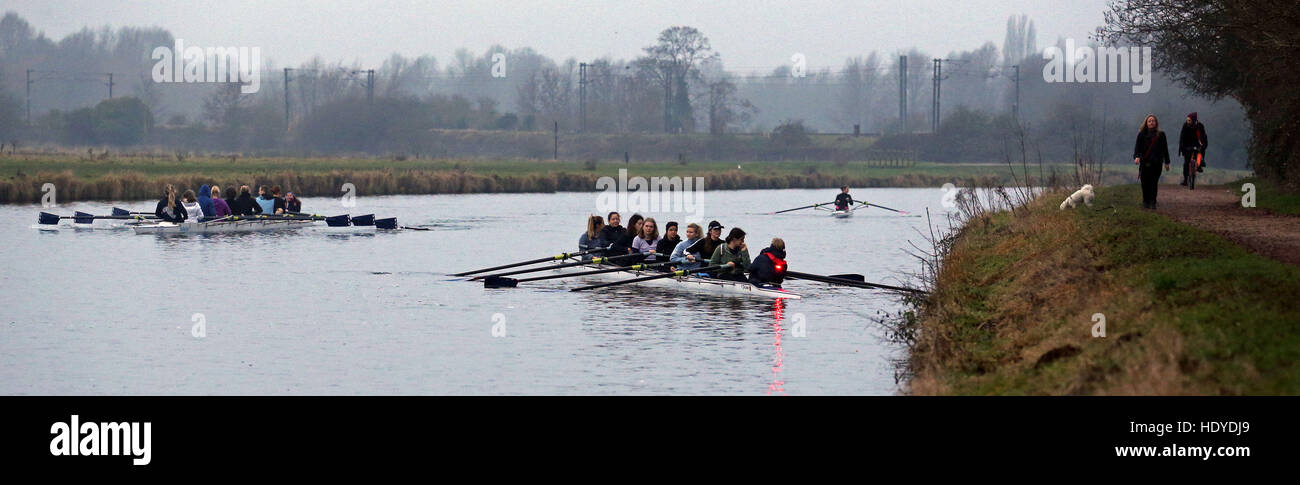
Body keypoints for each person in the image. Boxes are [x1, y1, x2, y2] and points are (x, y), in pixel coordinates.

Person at [1133, 114, 1171, 209]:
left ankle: (1152, 202)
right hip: (1144, 163)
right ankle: (1145, 201)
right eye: (1149, 121)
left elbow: (1165, 149)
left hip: (1156, 163)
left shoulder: (1161, 135)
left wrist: (1167, 162)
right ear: (1146, 123)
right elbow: (1137, 148)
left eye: (1153, 121)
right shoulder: (1141, 134)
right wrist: (1137, 157)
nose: (1151, 122)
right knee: (1144, 183)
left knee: (1154, 183)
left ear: (1156, 123)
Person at [1178, 112, 1209, 187]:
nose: (1187, 122)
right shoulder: (1185, 125)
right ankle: (1185, 179)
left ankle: (1199, 164)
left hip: (1197, 144)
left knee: (1199, 153)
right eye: (1187, 120)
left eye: (1189, 120)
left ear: (1193, 120)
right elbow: (1182, 137)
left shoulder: (1200, 126)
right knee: (1186, 163)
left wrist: (1203, 145)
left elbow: (1204, 137)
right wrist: (1182, 146)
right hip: (1187, 145)